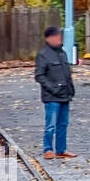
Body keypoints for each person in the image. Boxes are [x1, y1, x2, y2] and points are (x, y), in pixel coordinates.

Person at [34, 26, 77, 160]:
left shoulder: (62, 53)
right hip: (52, 97)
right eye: (57, 36)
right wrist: (53, 88)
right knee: (51, 125)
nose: (60, 39)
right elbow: (39, 75)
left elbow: (67, 74)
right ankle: (48, 149)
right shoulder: (43, 55)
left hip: (65, 95)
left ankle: (60, 150)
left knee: (63, 124)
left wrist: (70, 90)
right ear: (49, 38)